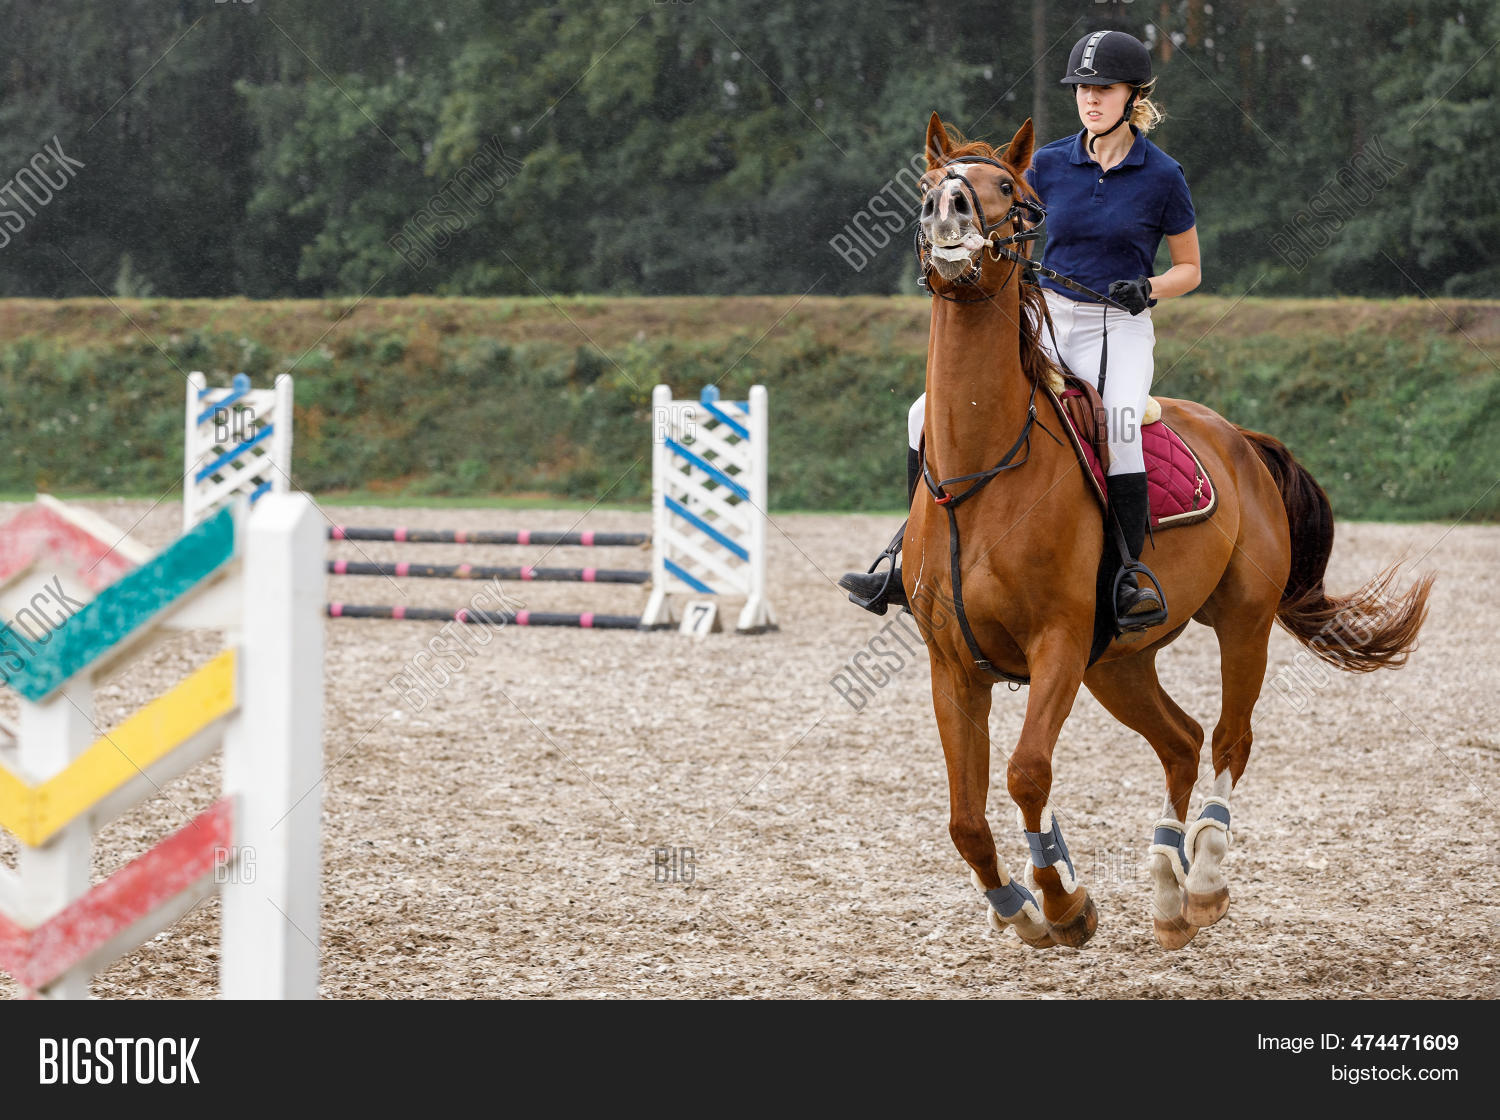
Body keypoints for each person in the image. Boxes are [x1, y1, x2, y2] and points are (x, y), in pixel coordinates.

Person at [839, 28, 1200, 633]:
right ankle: (909, 561)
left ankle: (1127, 575)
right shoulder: (1050, 163)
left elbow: (1190, 269)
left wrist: (1152, 286)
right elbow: (1003, 217)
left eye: (1103, 89)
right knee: (922, 413)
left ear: (1131, 94)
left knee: (1120, 425)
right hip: (1046, 316)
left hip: (1120, 325)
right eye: (1082, 89)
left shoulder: (1162, 174)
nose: (1090, 99)